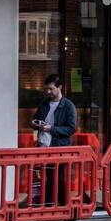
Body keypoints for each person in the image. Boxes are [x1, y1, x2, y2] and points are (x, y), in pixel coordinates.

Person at [31, 74, 77, 208]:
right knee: (54, 181)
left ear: (60, 87)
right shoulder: (44, 104)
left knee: (52, 180)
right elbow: (36, 119)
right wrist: (34, 124)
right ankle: (68, 214)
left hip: (58, 148)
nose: (48, 92)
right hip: (43, 146)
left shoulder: (69, 106)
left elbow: (71, 129)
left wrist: (51, 129)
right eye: (47, 89)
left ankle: (44, 214)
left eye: (51, 89)